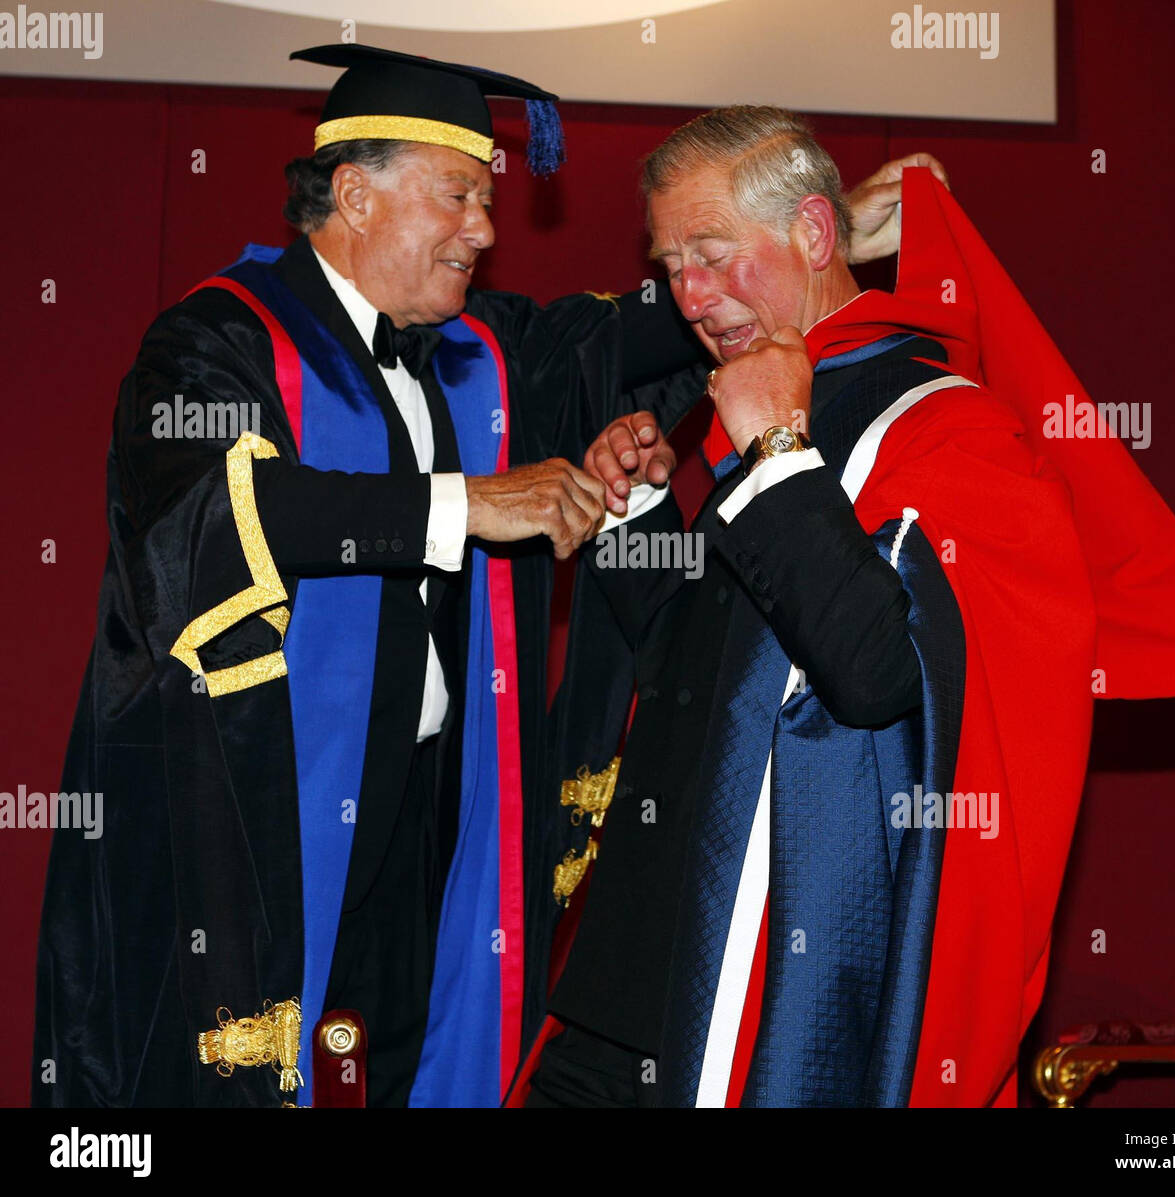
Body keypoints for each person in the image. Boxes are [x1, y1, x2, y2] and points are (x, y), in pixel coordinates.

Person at [32, 49, 925, 1108]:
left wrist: (811, 237)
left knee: (419, 1058)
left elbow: (624, 340)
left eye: (489, 202)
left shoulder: (474, 355)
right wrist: (464, 502)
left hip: (434, 823)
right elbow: (209, 516)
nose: (487, 232)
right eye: (459, 196)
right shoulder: (216, 344)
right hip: (255, 822)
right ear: (356, 194)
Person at [522, 106, 1175, 1108]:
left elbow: (873, 676)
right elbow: (688, 676)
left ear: (815, 235)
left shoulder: (950, 426)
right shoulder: (775, 402)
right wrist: (640, 504)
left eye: (711, 254)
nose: (689, 296)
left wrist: (776, 452)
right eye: (670, 265)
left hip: (756, 986)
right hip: (621, 982)